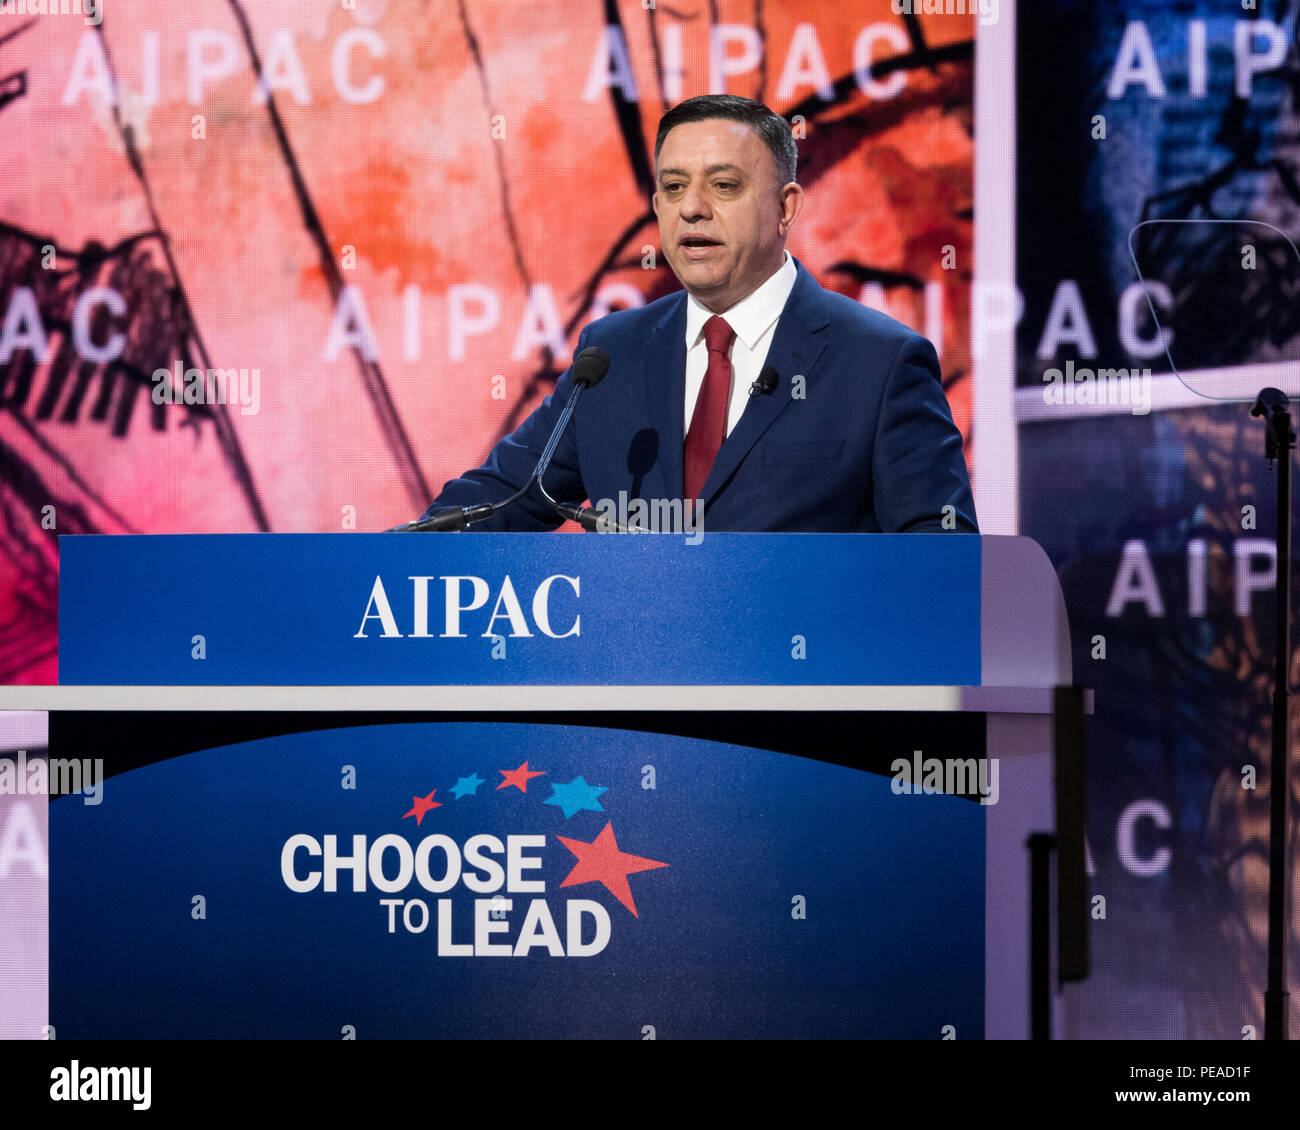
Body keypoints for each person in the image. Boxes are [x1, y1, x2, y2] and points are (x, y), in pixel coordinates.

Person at [422, 94, 977, 534]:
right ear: (659, 208)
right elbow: (496, 503)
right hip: (631, 669)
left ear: (786, 208)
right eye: (674, 187)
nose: (693, 207)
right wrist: (373, 572)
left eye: (724, 185)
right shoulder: (610, 356)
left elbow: (938, 561)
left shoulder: (879, 362)